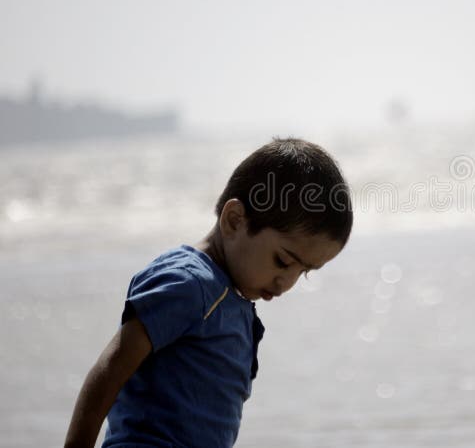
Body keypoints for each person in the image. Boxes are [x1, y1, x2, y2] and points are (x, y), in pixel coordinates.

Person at [64, 137, 353, 448]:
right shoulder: (188, 283)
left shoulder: (229, 297)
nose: (287, 282)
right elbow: (111, 367)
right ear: (234, 221)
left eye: (304, 271)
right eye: (282, 261)